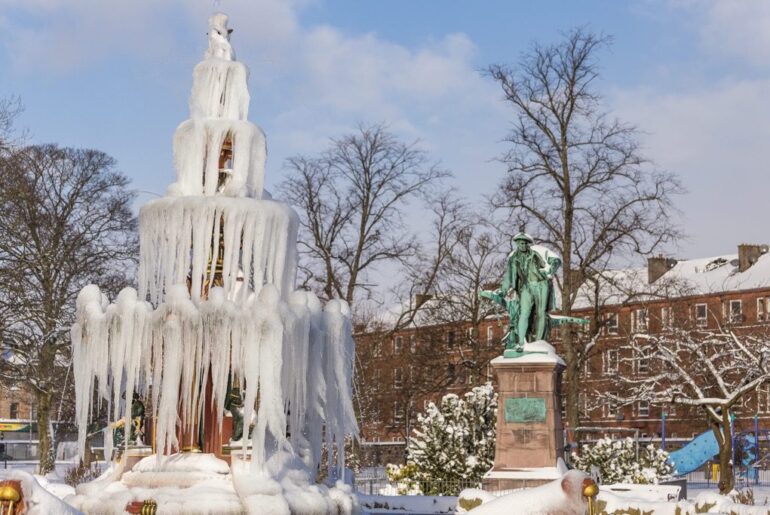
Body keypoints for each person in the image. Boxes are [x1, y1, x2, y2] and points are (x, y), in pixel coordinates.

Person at [481, 232, 560, 352]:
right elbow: (509, 276)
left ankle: (539, 342)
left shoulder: (538, 251)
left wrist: (549, 270)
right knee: (524, 313)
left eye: (524, 243)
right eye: (520, 243)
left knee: (541, 312)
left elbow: (556, 260)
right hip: (526, 287)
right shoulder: (513, 258)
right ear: (517, 244)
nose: (522, 245)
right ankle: (521, 342)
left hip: (541, 284)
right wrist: (503, 290)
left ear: (528, 243)